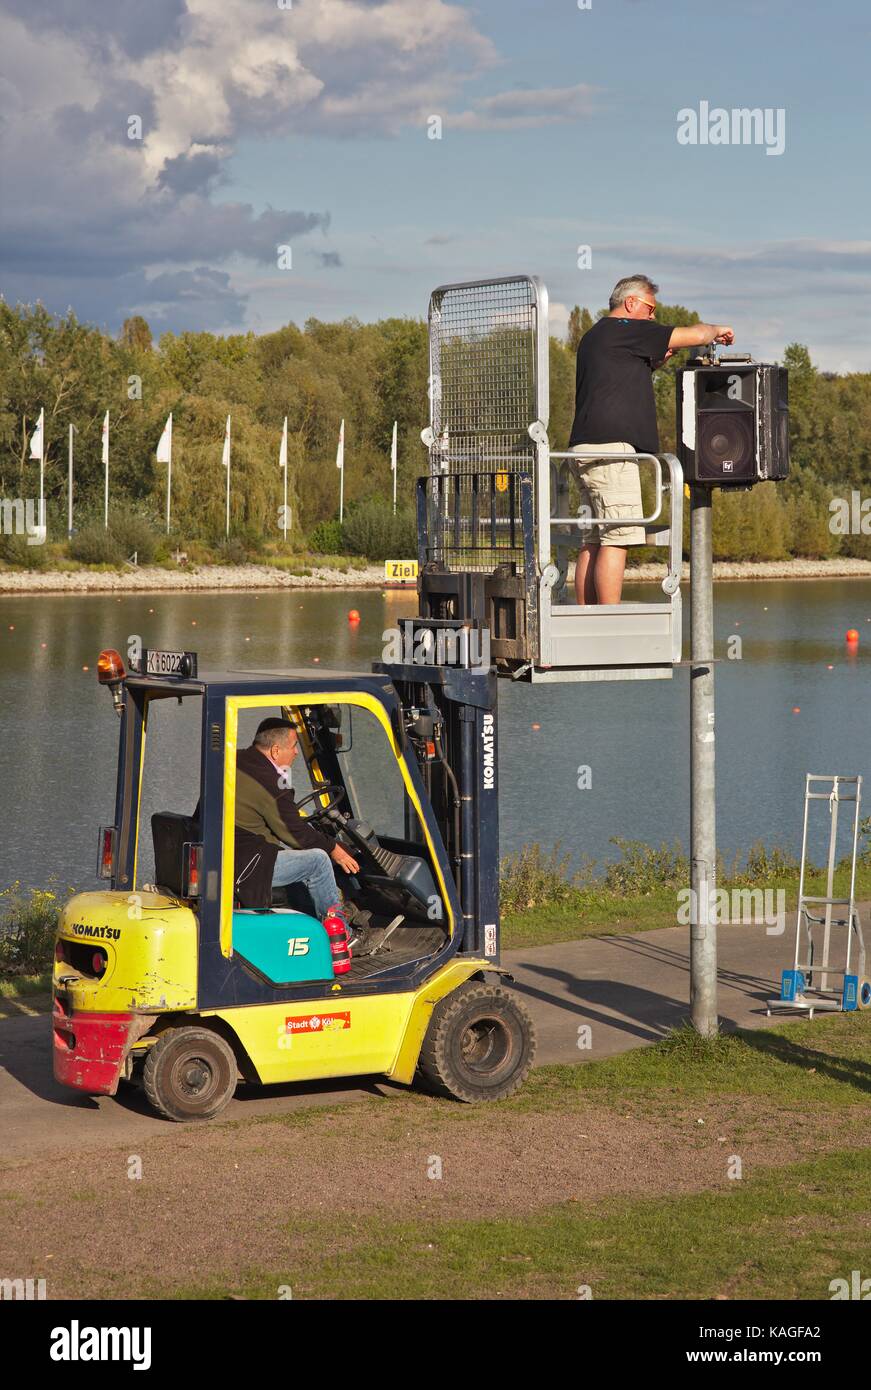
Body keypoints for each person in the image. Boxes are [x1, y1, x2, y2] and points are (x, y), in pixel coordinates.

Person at [568, 275, 734, 605]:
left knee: (593, 541)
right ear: (630, 303)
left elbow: (618, 378)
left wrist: (656, 362)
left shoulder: (595, 336)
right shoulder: (627, 327)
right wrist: (717, 330)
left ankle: (585, 623)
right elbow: (696, 334)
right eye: (650, 308)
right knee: (618, 538)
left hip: (583, 448)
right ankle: (608, 627)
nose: (653, 316)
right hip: (612, 453)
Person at [234, 717, 359, 916]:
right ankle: (341, 934)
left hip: (226, 855)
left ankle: (308, 921)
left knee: (300, 857)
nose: (296, 752)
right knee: (318, 861)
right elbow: (295, 834)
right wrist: (333, 847)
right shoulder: (273, 784)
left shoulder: (234, 760)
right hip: (247, 866)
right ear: (275, 750)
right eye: (293, 746)